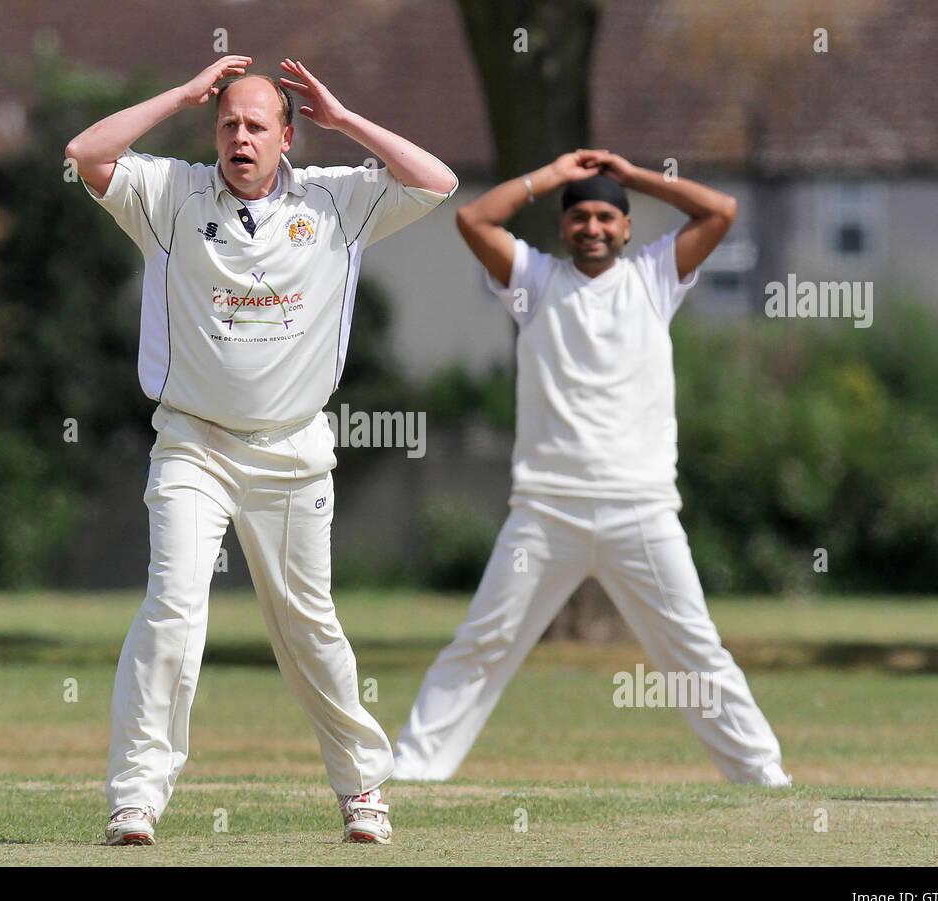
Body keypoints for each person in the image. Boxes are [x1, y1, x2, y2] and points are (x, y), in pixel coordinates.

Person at [65, 55, 457, 844]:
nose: (238, 138)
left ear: (287, 136)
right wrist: (178, 94)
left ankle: (362, 790)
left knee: (308, 625)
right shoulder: (171, 195)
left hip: (291, 453)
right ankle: (135, 797)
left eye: (255, 126)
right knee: (173, 610)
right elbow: (87, 153)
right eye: (227, 124)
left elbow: (437, 181)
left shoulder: (336, 199)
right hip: (193, 447)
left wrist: (345, 119)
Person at [394, 149, 791, 787]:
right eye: (579, 217)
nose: (594, 227)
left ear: (628, 227)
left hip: (643, 509)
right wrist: (554, 175)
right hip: (547, 509)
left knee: (693, 652)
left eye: (607, 217)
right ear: (563, 227)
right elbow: (473, 219)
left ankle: (762, 775)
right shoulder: (537, 281)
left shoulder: (655, 277)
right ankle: (413, 770)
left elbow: (721, 210)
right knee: (481, 642)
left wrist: (631, 175)